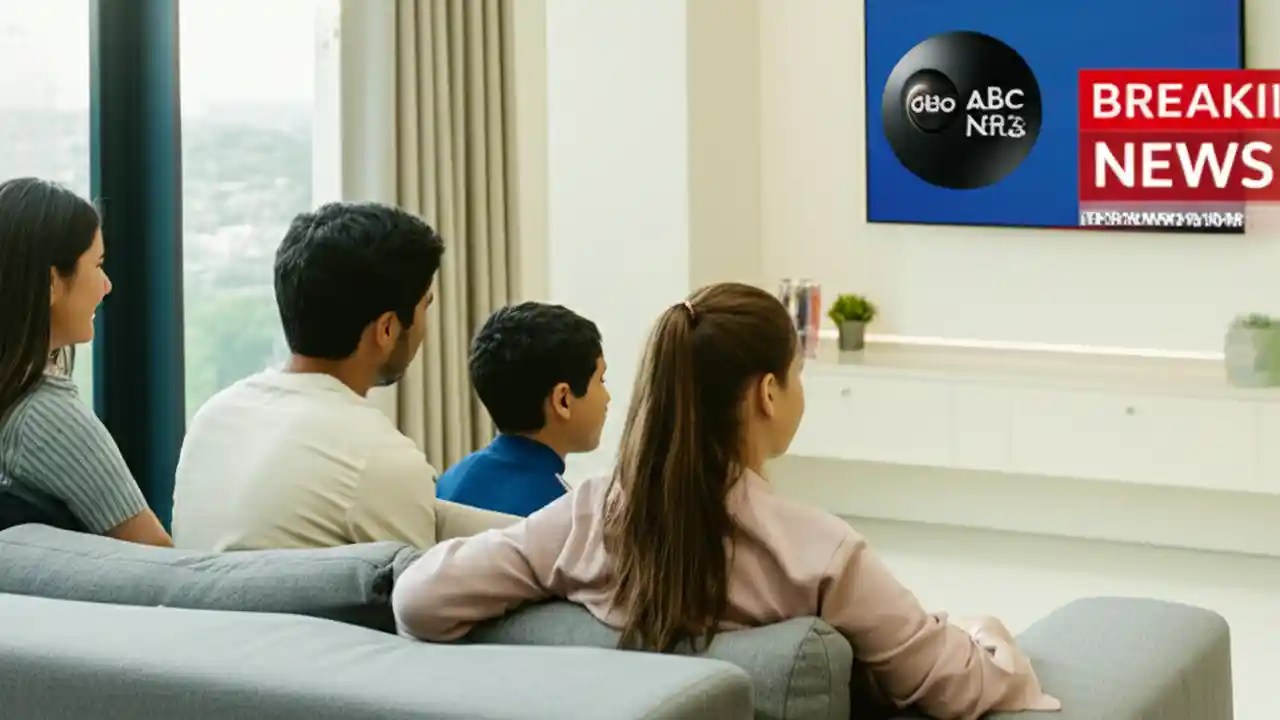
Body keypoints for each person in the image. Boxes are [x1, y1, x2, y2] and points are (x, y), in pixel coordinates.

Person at [391, 282, 1059, 719]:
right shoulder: (819, 552)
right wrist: (986, 634)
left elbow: (418, 599)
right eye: (797, 374)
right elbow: (958, 687)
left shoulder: (584, 516)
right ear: (768, 393)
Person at [171, 202, 514, 551]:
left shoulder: (214, 417)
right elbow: (422, 595)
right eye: (426, 305)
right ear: (387, 329)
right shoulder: (377, 458)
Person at [0, 177, 171, 546]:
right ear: (51, 283)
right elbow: (160, 563)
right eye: (98, 265)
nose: (106, 285)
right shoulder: (45, 418)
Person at [436, 302, 609, 516]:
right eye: (601, 379)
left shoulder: (449, 481)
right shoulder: (565, 515)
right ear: (562, 400)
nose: (607, 398)